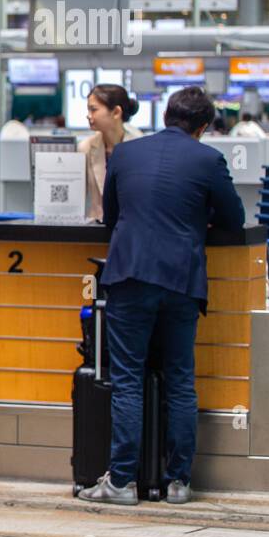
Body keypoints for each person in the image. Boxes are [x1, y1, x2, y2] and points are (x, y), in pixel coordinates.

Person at [78, 87, 245, 507]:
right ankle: (178, 483)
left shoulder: (126, 154)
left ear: (167, 115)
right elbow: (234, 219)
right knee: (181, 380)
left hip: (130, 274)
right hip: (181, 280)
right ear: (202, 127)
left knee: (128, 380)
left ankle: (121, 483)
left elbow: (112, 217)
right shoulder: (208, 160)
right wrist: (199, 215)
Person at [79, 84, 143, 222]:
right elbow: (77, 195)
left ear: (116, 112)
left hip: (131, 225)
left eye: (93, 109)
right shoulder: (86, 147)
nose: (88, 116)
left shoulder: (141, 146)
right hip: (97, 226)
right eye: (88, 110)